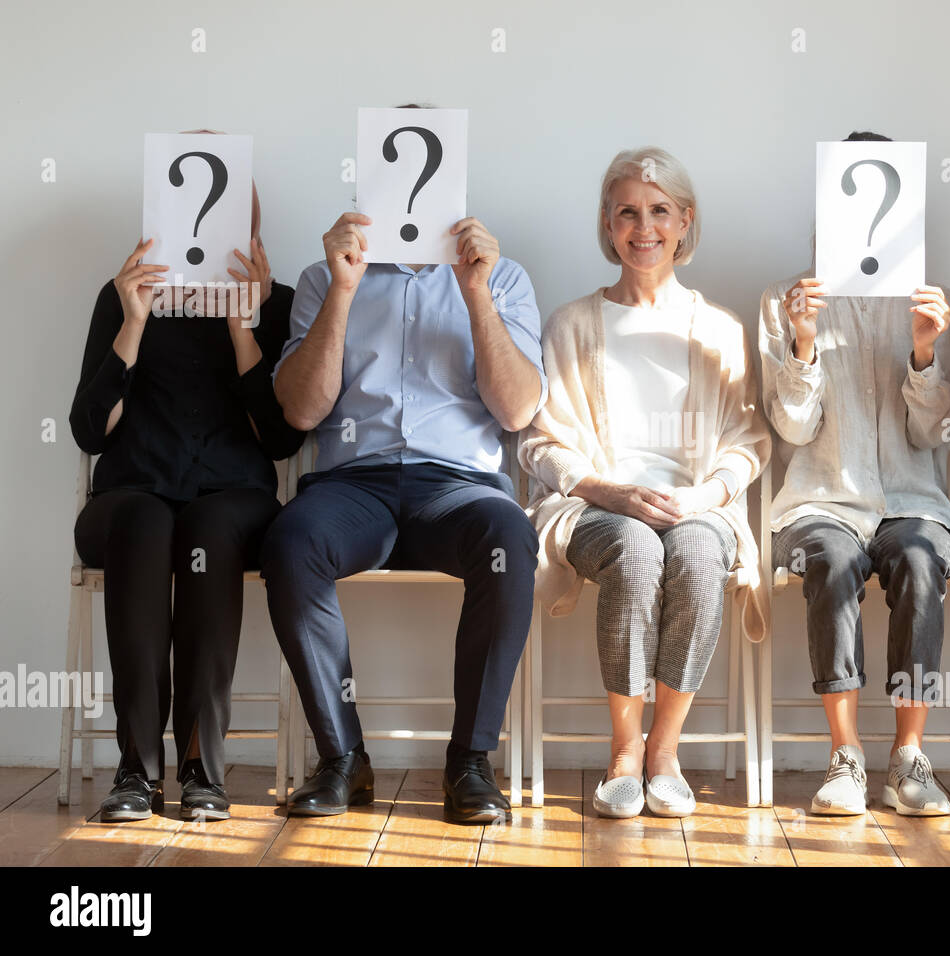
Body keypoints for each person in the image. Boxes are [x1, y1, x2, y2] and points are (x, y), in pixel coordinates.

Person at [260, 192, 545, 825]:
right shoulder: (322, 278)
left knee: (509, 538)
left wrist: (477, 293)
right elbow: (303, 411)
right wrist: (341, 291)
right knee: (290, 542)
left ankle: (470, 761)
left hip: (457, 487)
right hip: (353, 486)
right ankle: (342, 760)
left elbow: (519, 411)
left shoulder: (505, 278)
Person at [520, 146, 770, 818]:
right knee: (636, 548)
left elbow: (747, 444)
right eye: (627, 212)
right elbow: (540, 445)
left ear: (685, 221)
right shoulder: (571, 324)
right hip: (595, 509)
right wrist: (611, 492)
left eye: (660, 211)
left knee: (693, 549)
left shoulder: (719, 331)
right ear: (607, 224)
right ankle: (624, 750)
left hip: (695, 507)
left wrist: (700, 498)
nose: (644, 226)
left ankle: (665, 749)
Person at [69, 177, 303, 823]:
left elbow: (282, 440)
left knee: (205, 529)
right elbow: (90, 429)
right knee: (147, 523)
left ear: (254, 233)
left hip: (232, 503)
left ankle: (202, 766)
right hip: (128, 502)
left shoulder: (276, 304)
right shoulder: (119, 301)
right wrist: (135, 321)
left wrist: (243, 328)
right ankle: (137, 770)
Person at [760, 131, 950, 817]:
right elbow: (791, 430)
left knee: (920, 556)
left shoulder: (930, 304)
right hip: (822, 501)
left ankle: (909, 756)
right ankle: (845, 755)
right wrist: (803, 344)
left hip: (912, 501)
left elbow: (930, 433)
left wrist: (924, 352)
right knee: (832, 558)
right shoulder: (785, 303)